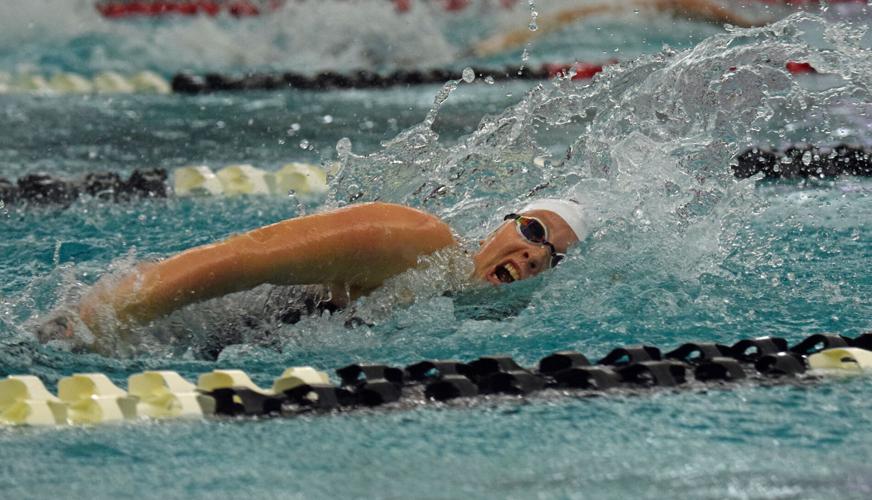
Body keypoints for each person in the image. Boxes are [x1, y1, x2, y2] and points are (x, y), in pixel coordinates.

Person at [46, 199, 588, 354]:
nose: (539, 256)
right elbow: (249, 254)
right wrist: (112, 317)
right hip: (164, 327)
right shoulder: (415, 241)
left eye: (555, 257)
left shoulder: (496, 312)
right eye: (536, 231)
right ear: (505, 220)